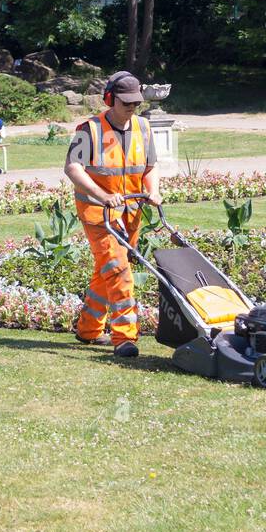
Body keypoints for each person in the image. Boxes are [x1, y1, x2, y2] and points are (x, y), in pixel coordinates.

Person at [63, 71, 160, 359]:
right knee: (118, 270)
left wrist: (152, 190)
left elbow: (151, 166)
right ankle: (124, 338)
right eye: (126, 103)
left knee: (106, 270)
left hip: (131, 212)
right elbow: (73, 168)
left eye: (136, 103)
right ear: (110, 99)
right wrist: (102, 196)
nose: (131, 108)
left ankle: (89, 329)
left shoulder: (143, 128)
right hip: (97, 213)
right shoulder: (88, 129)